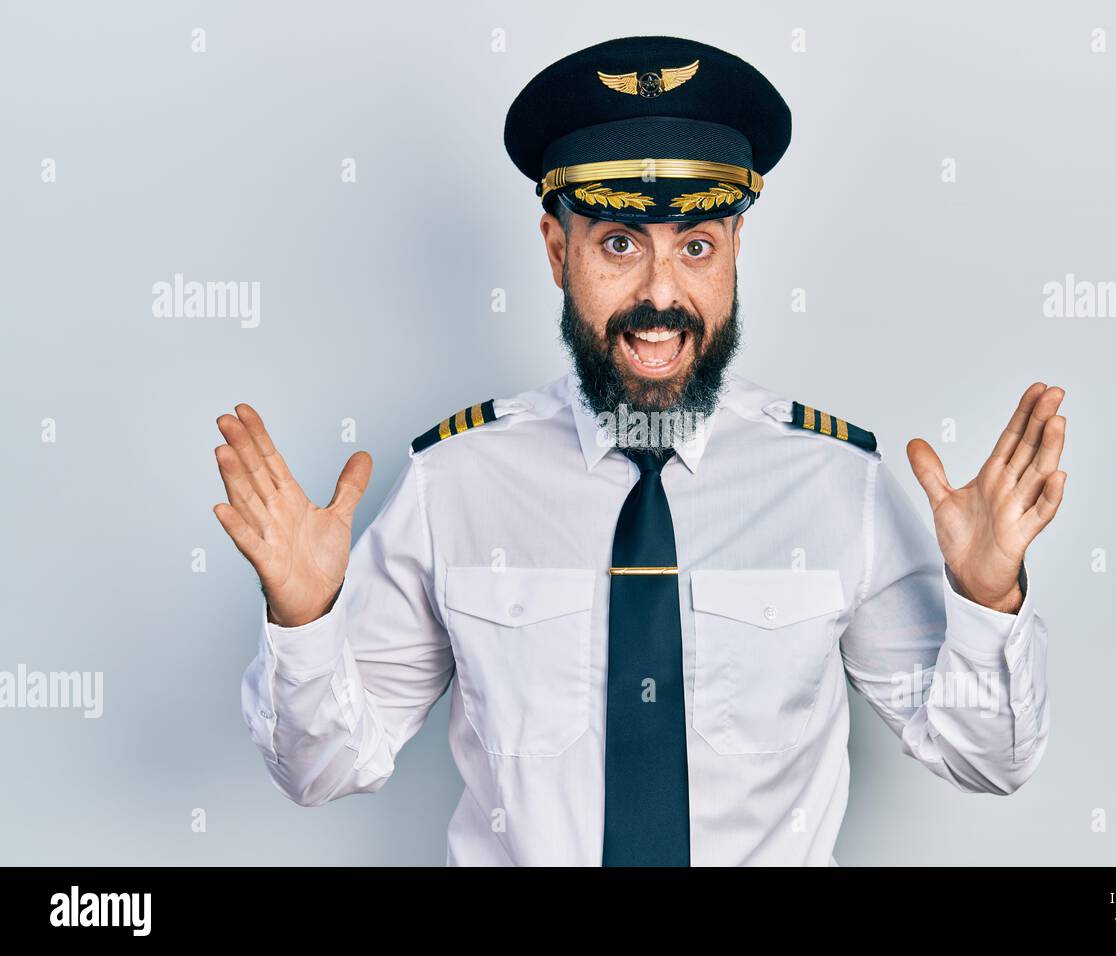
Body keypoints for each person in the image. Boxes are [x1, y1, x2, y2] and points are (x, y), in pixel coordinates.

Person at [215, 36, 1067, 866]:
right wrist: (305, 620)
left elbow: (985, 760)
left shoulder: (836, 484)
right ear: (558, 253)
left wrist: (990, 598)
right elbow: (322, 769)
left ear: (735, 252)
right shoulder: (456, 482)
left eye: (696, 247)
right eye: (619, 244)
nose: (662, 295)